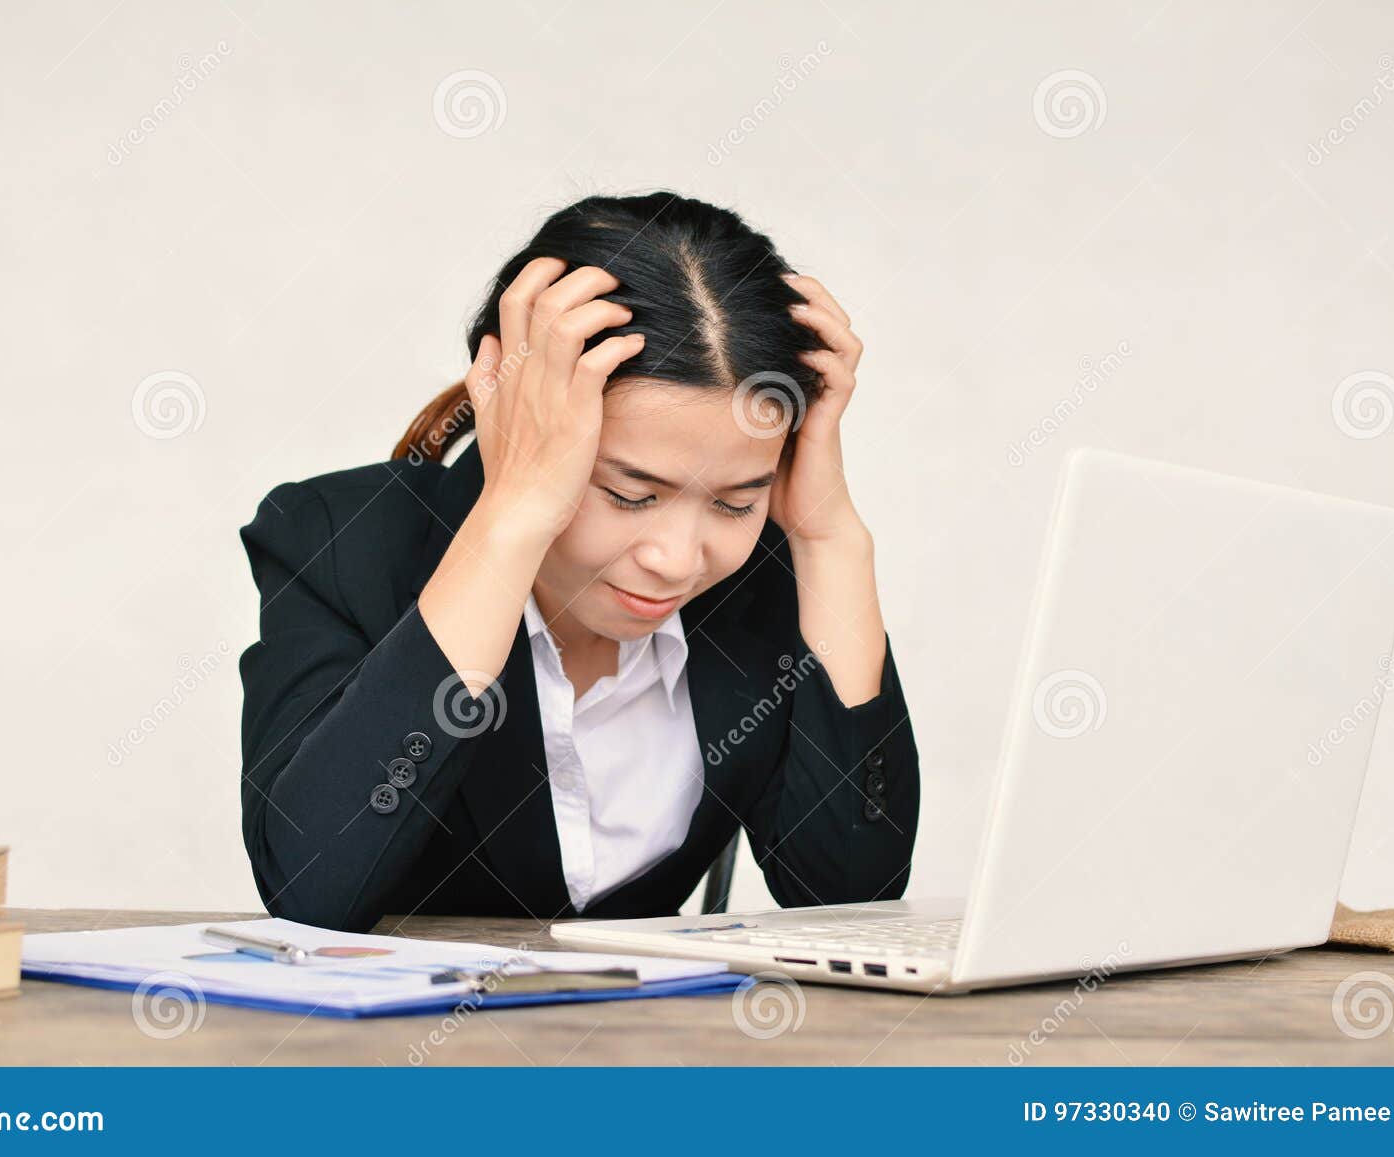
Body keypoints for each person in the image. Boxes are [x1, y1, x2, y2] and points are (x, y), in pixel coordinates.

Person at [237, 191, 919, 933]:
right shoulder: (339, 542)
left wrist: (830, 540)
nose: (677, 560)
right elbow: (310, 889)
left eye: (734, 502)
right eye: (629, 494)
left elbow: (852, 899)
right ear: (528, 419)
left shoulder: (770, 578)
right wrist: (511, 514)